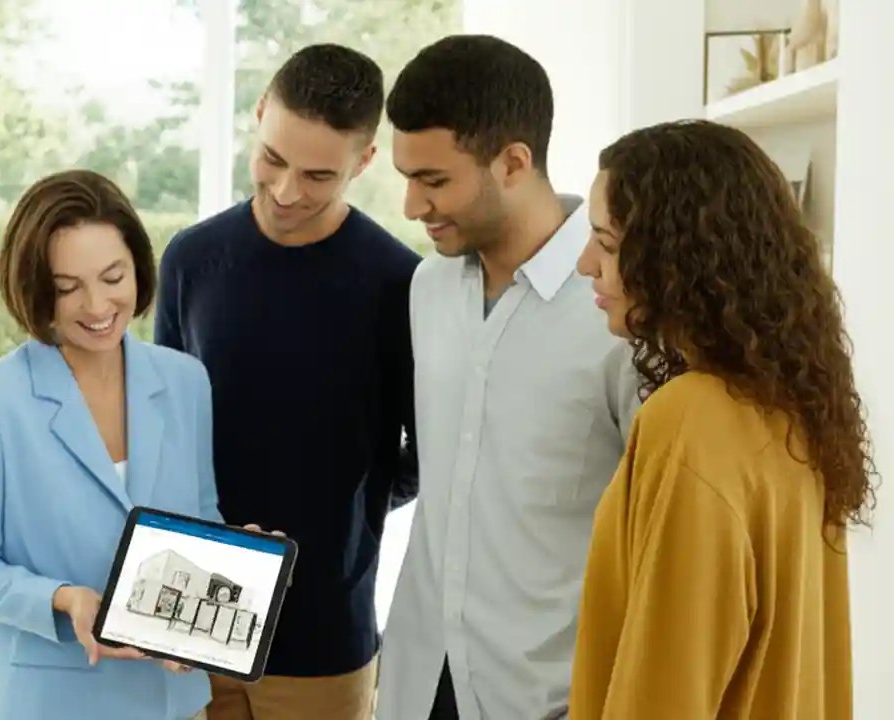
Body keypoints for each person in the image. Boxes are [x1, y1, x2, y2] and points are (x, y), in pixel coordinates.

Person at [568, 119, 878, 719]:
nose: (586, 264)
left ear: (676, 256)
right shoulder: (796, 412)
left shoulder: (690, 422)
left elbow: (664, 694)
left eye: (606, 243)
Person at [154, 43, 421, 720]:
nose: (285, 191)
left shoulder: (399, 283)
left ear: (364, 162)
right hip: (190, 623)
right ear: (259, 113)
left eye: (317, 175)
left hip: (324, 634)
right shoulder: (190, 260)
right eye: (272, 159)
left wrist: (342, 512)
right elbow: (166, 433)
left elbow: (426, 450)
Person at [376, 35, 639, 720]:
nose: (411, 205)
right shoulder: (426, 289)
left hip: (548, 693)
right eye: (407, 177)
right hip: (420, 677)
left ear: (514, 162)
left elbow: (656, 529)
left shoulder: (620, 308)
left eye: (433, 181)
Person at [0, 169, 218, 720]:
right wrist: (64, 598)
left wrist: (231, 561)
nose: (97, 305)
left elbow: (199, 519)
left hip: (172, 703)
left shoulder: (185, 381)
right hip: (51, 704)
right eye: (68, 288)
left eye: (113, 276)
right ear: (38, 291)